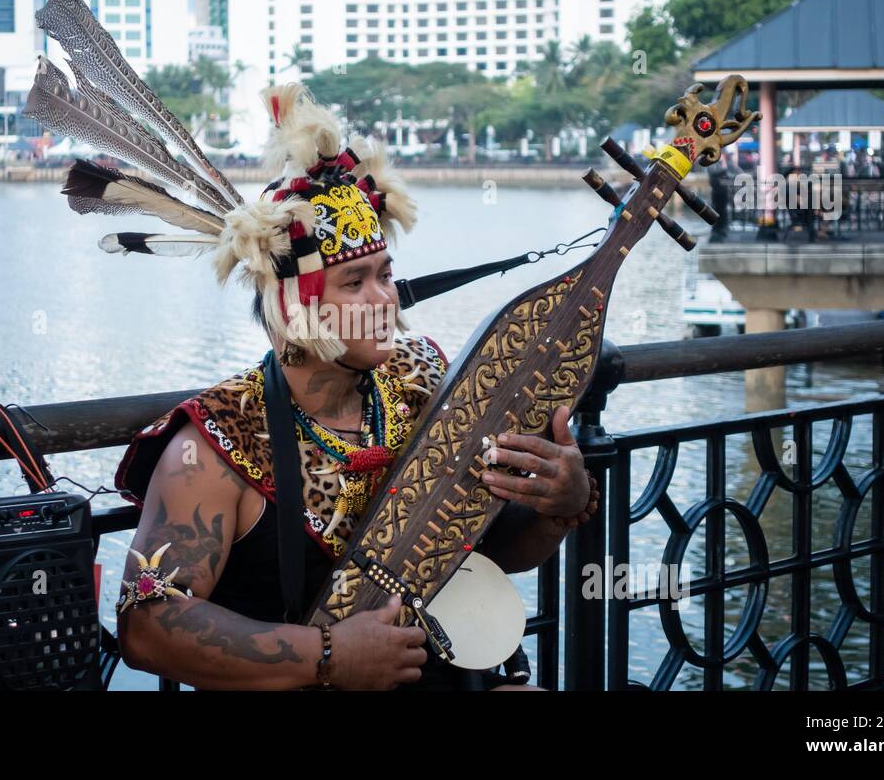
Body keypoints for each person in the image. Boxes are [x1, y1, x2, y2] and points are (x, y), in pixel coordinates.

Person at [110, 86, 594, 691]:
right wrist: (328, 654)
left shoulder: (418, 383)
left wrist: (560, 505)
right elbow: (146, 625)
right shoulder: (218, 439)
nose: (384, 298)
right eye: (354, 282)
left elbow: (491, 552)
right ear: (293, 304)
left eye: (386, 274)